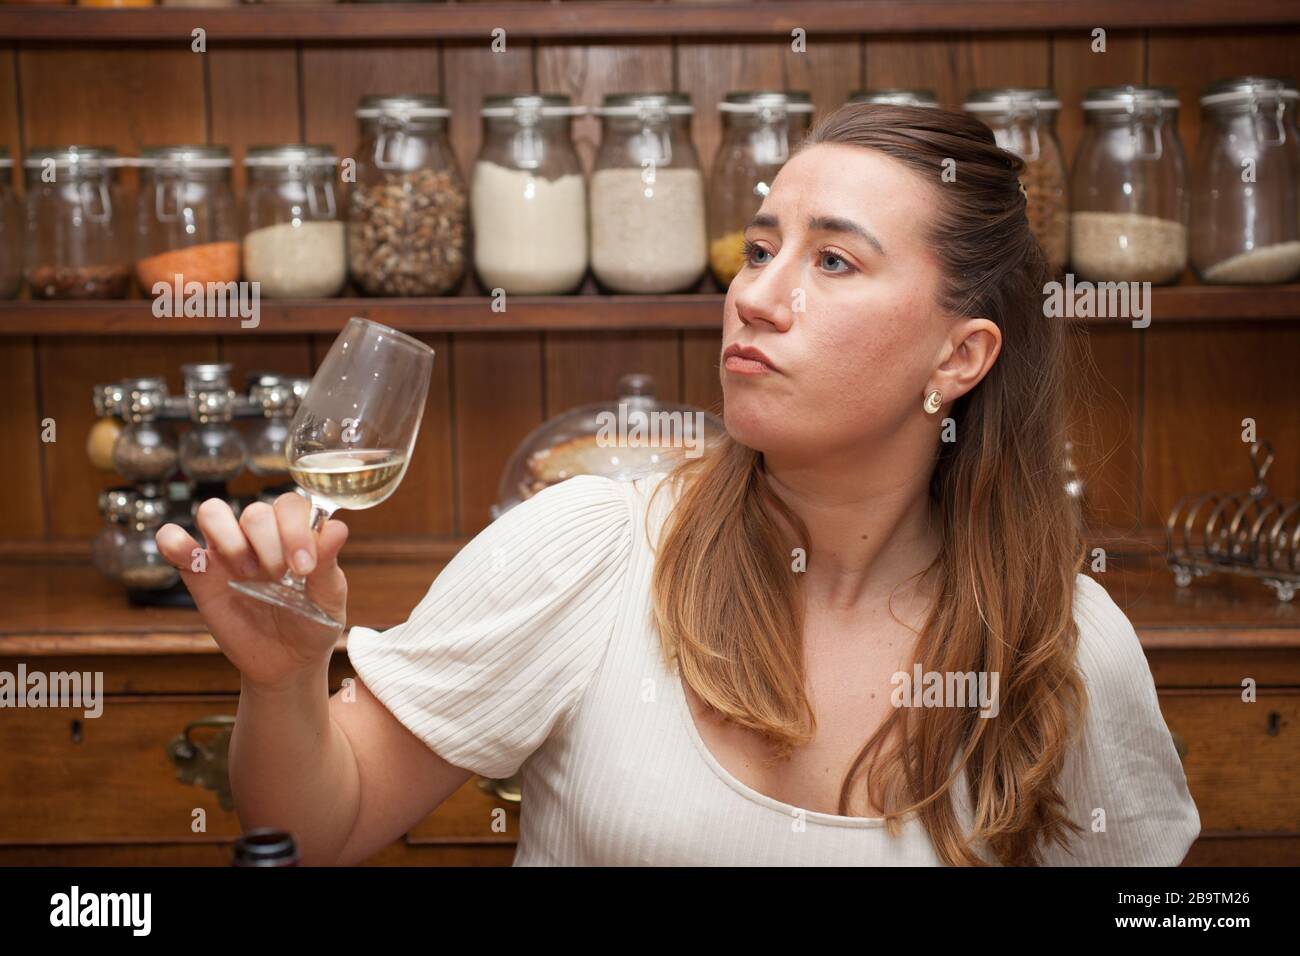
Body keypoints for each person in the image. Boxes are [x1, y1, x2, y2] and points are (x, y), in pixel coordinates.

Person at [156, 103, 1200, 866]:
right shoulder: (586, 549)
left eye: (833, 261)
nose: (755, 295)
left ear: (959, 357)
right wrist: (285, 679)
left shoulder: (1065, 643)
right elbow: (317, 829)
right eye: (758, 247)